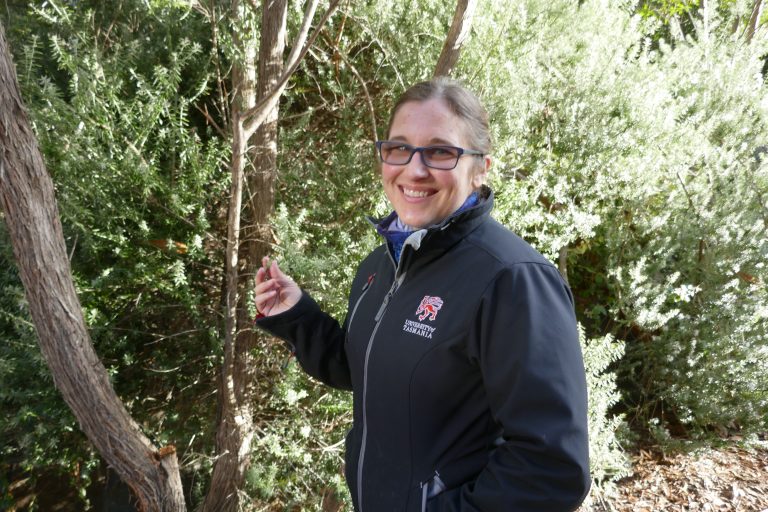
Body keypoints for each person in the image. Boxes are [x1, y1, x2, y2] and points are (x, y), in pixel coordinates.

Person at [254, 77, 590, 511]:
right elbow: (366, 371)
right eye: (399, 148)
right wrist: (299, 316)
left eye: (440, 151)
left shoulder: (513, 280)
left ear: (481, 166)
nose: (414, 169)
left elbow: (551, 467)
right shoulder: (382, 265)